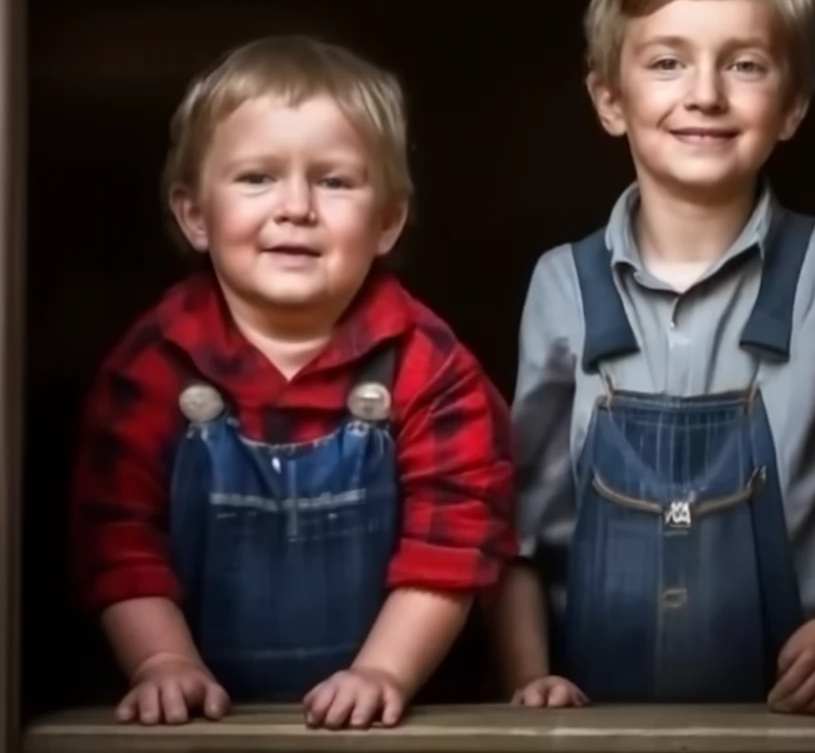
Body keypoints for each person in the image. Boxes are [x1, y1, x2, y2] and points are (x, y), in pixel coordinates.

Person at [70, 36, 516, 728]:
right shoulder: (153, 363)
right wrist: (161, 663)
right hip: (197, 724)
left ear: (388, 220)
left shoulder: (432, 365)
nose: (297, 206)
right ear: (195, 214)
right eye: (257, 177)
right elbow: (118, 536)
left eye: (335, 181)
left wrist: (381, 671)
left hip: (392, 719)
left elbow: (452, 545)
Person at [491, 0, 815, 713]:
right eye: (668, 62)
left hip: (811, 731)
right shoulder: (561, 285)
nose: (705, 92)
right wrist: (528, 686)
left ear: (794, 106)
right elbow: (516, 534)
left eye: (745, 64)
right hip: (594, 727)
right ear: (609, 99)